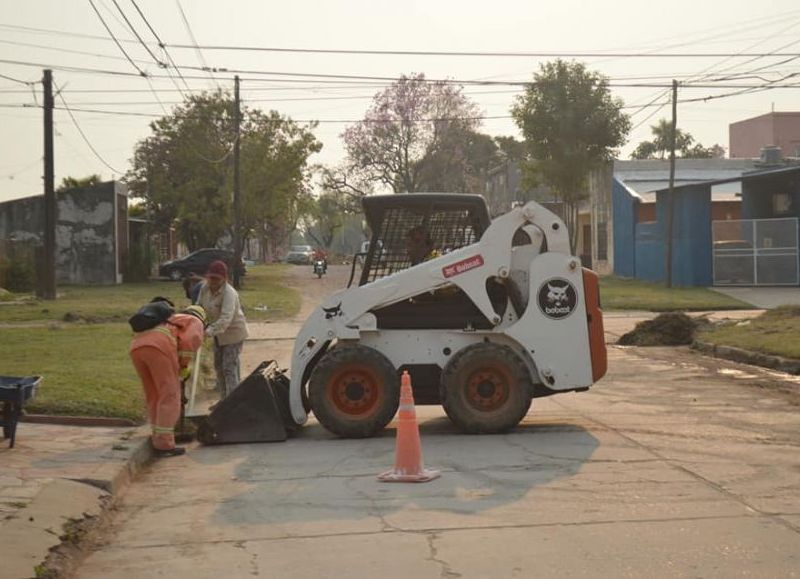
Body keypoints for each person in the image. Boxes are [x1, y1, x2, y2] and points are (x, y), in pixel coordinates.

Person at [129, 300, 207, 457]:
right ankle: (164, 445)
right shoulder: (195, 321)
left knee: (154, 394)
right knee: (170, 395)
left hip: (137, 347)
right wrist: (183, 367)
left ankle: (157, 434)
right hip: (159, 348)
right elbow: (187, 344)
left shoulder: (171, 319)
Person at [196, 260, 249, 397]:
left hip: (234, 333)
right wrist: (195, 322)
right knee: (218, 367)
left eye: (216, 278)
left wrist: (207, 332)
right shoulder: (204, 288)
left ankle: (232, 402)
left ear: (224, 278)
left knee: (229, 368)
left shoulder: (229, 293)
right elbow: (199, 307)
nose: (213, 281)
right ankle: (224, 399)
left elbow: (226, 318)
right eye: (211, 277)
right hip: (218, 335)